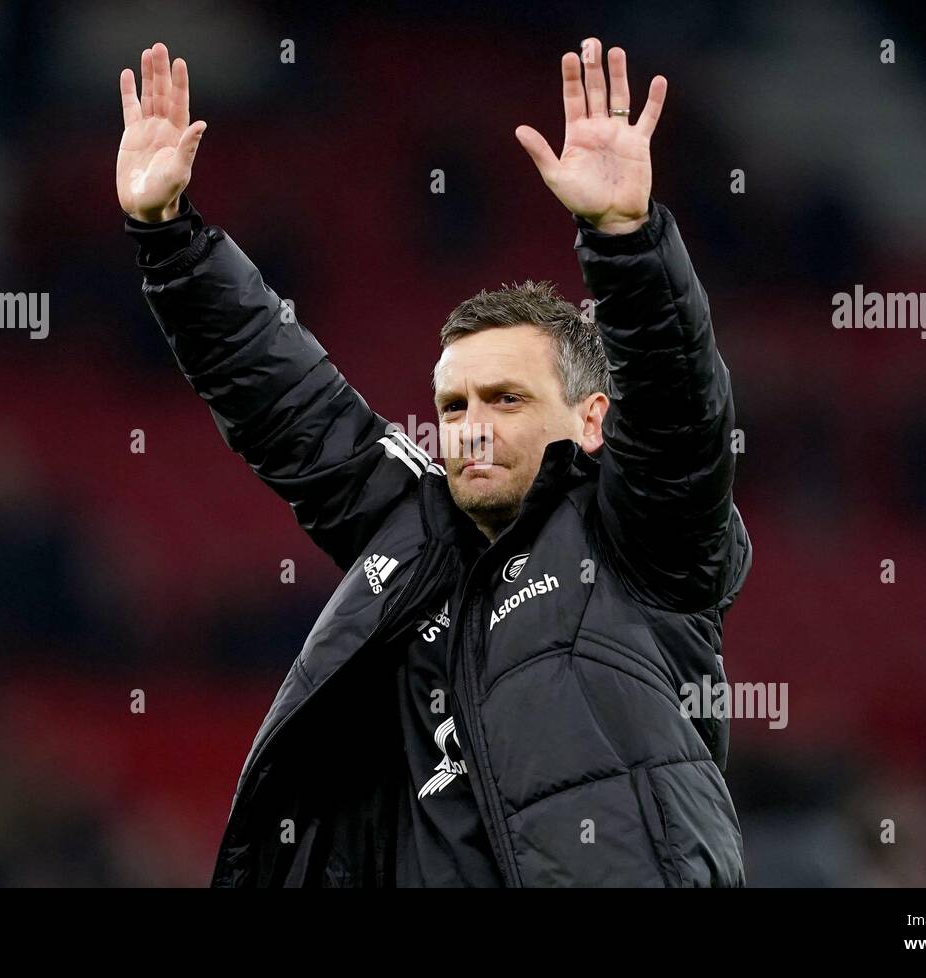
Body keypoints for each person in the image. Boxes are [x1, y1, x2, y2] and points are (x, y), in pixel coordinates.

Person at [117, 37, 751, 887]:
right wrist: (169, 240)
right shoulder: (412, 539)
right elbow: (286, 399)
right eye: (454, 406)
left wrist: (626, 242)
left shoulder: (641, 540)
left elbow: (680, 412)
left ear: (593, 419)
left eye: (507, 399)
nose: (471, 428)